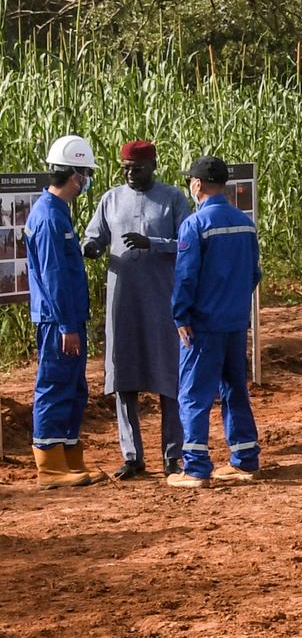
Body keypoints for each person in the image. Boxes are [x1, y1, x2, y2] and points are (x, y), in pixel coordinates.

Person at [82, 140, 191, 478]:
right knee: (124, 377)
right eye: (126, 168)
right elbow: (95, 235)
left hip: (162, 303)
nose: (131, 174)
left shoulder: (173, 199)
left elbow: (188, 243)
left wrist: (154, 244)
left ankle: (172, 455)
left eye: (138, 168)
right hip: (123, 303)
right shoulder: (110, 199)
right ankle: (133, 457)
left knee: (168, 378)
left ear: (153, 165)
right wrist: (91, 246)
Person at [167, 155, 263, 488]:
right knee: (235, 389)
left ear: (197, 184)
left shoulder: (194, 226)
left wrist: (180, 314)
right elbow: (254, 273)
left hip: (202, 327)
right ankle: (245, 460)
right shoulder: (245, 223)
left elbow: (185, 277)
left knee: (194, 395)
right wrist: (234, 306)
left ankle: (195, 468)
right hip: (234, 324)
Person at [26, 134, 100, 489]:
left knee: (74, 386)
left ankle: (69, 455)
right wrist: (68, 325)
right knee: (55, 385)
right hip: (59, 320)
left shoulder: (57, 212)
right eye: (85, 174)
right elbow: (55, 276)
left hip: (67, 317)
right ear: (74, 175)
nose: (85, 181)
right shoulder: (50, 218)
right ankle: (51, 466)